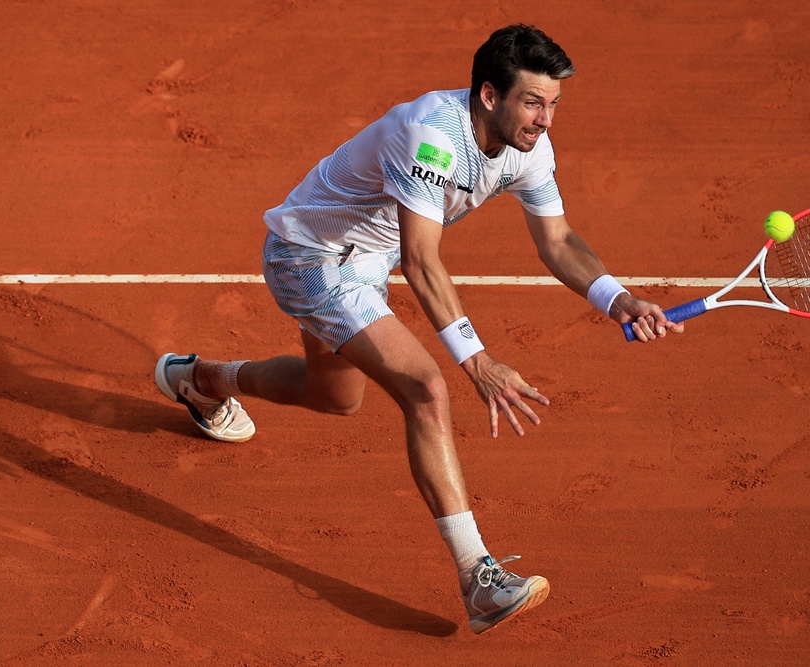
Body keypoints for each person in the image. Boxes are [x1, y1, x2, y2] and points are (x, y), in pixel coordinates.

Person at [154, 23, 683, 634]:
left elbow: (558, 240)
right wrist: (476, 361)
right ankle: (478, 578)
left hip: (363, 262)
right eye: (534, 102)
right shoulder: (431, 137)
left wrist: (618, 299)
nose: (545, 119)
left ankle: (201, 381)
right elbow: (422, 260)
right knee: (427, 389)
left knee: (335, 396)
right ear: (490, 96)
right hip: (313, 258)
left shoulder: (529, 147)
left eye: (554, 104)